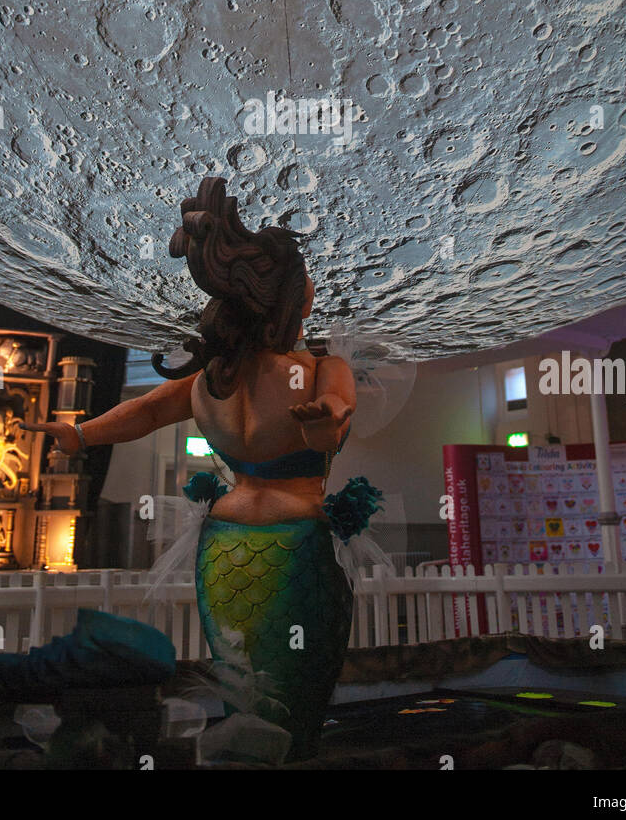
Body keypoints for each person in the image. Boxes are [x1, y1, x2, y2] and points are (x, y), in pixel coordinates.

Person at [24, 176, 380, 761]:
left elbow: (141, 413)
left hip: (226, 549)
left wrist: (80, 433)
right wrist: (324, 427)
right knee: (297, 683)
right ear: (290, 300)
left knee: (242, 670)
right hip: (294, 549)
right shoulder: (321, 368)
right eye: (305, 285)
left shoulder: (209, 382)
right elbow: (338, 411)